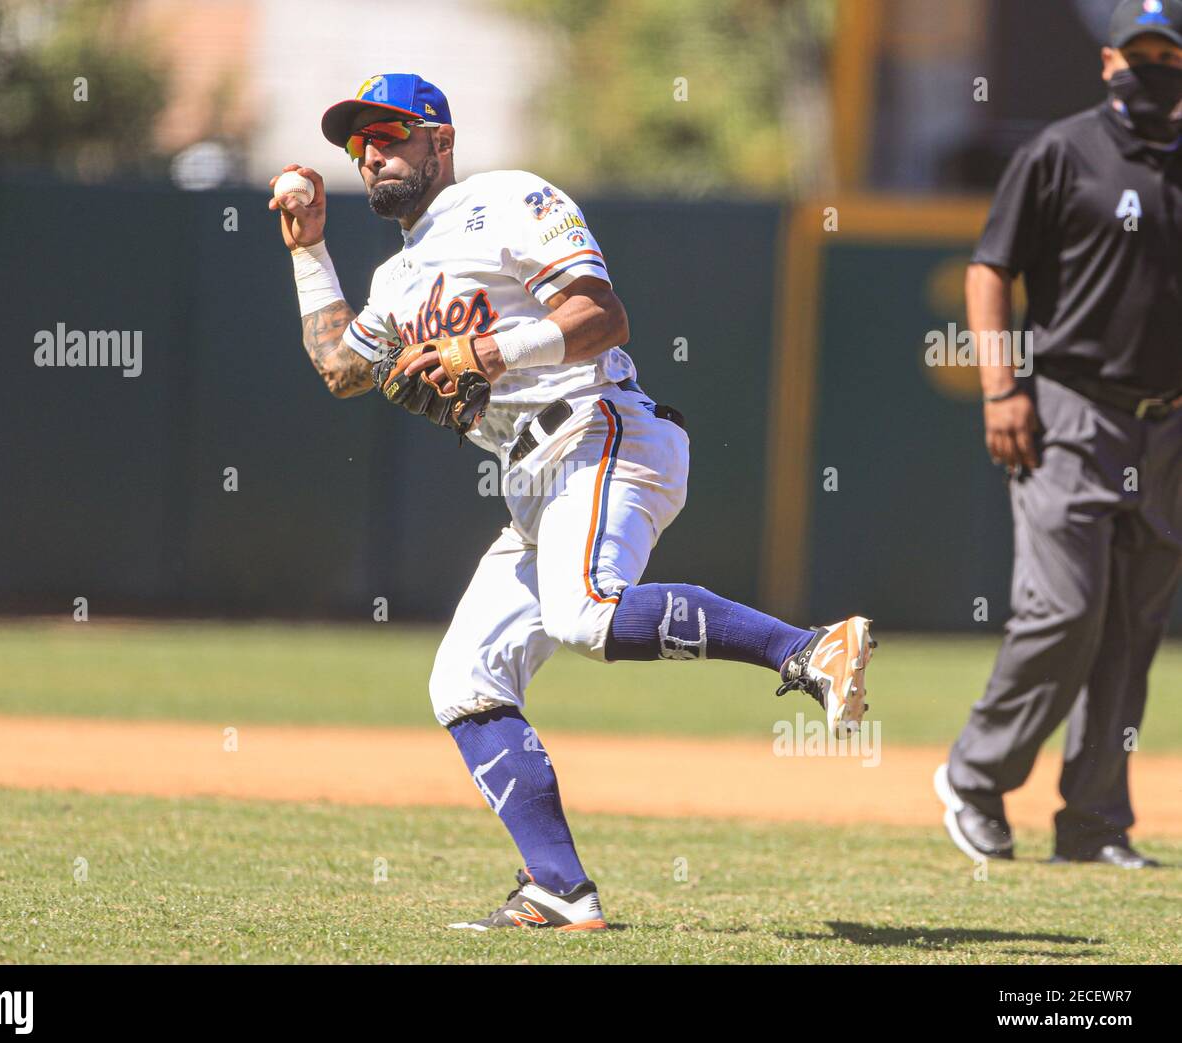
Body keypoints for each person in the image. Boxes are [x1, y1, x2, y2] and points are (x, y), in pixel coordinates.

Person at [272, 73, 875, 929]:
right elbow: (340, 370)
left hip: (601, 429)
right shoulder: (397, 281)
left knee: (584, 615)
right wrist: (306, 249)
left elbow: (603, 316)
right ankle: (559, 888)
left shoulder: (509, 199)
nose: (373, 152)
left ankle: (810, 650)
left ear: (441, 140)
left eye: (392, 133)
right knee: (465, 681)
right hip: (534, 485)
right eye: (358, 141)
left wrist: (483, 351)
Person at [936, 0, 1182, 870]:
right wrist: (1001, 386)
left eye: (1169, 52)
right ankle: (975, 775)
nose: (1153, 66)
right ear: (1109, 61)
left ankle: (1094, 822)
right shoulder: (1062, 151)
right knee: (1067, 610)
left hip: (1165, 427)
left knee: (1130, 629)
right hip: (1071, 408)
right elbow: (990, 267)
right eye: (1139, 52)